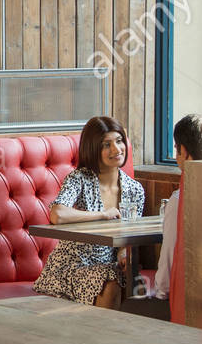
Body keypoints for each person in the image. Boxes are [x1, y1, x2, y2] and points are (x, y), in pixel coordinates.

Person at [32, 116, 144, 310]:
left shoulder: (135, 189)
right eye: (106, 145)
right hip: (70, 268)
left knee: (125, 279)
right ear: (93, 149)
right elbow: (57, 214)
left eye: (119, 141)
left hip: (110, 267)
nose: (116, 150)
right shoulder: (79, 179)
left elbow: (129, 237)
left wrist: (124, 254)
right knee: (110, 280)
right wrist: (102, 214)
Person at [120, 113, 202, 320]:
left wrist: (160, 294)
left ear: (184, 152)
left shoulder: (181, 199)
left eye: (176, 149)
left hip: (191, 308)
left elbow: (171, 257)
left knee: (127, 307)